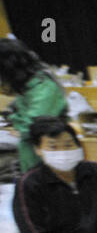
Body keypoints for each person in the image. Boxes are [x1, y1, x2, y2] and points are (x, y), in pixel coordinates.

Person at [0, 38, 68, 173]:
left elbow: (33, 126)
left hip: (51, 158)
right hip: (31, 158)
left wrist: (17, 124)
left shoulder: (43, 86)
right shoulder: (26, 87)